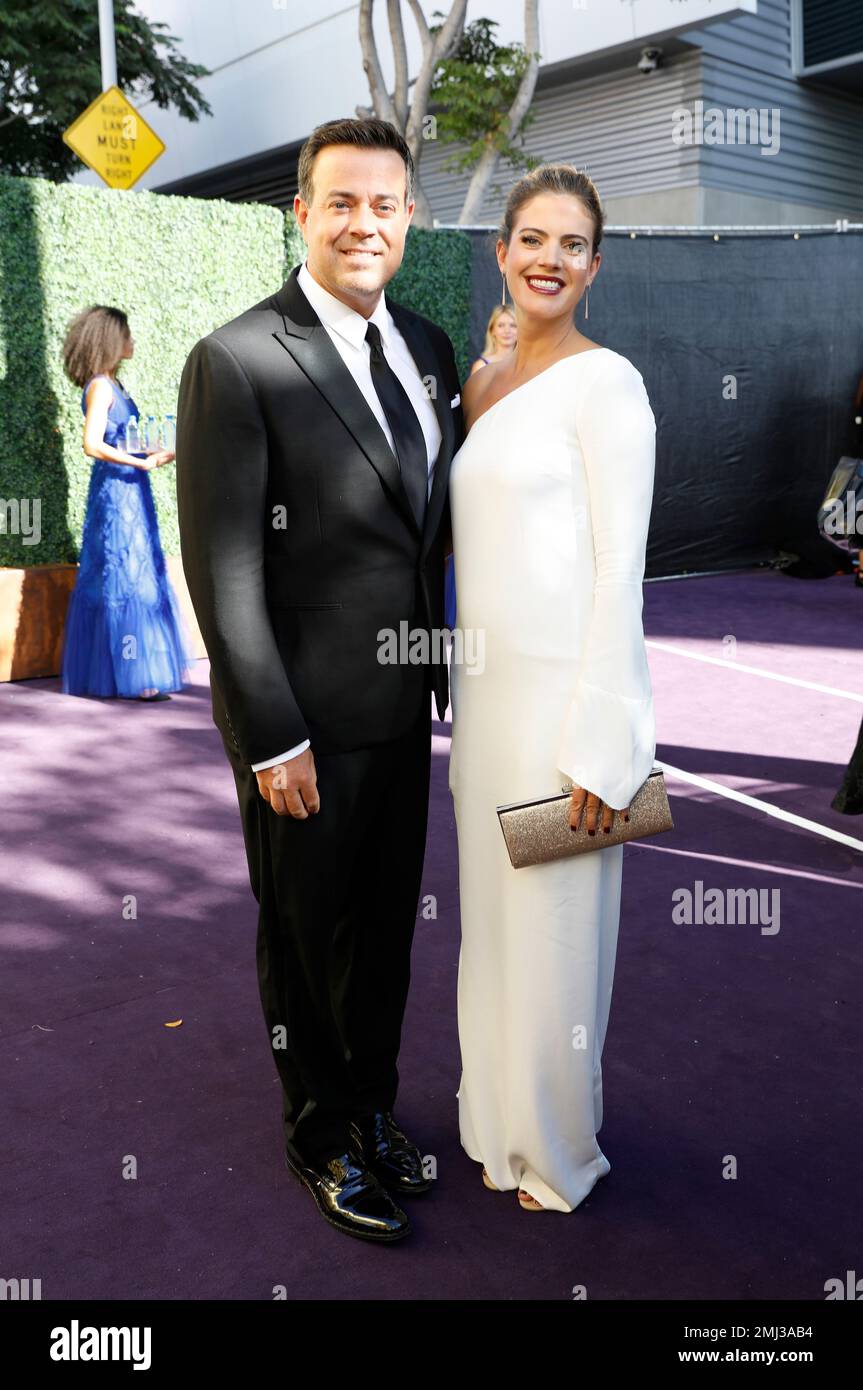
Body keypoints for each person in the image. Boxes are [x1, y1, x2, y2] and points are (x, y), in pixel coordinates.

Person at [175, 118, 464, 1244]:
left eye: (384, 204)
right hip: (299, 727)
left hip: (401, 707)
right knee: (304, 937)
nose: (363, 222)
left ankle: (374, 1105)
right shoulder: (237, 358)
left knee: (384, 930)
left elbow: (427, 535)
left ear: (406, 219)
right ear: (301, 212)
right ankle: (320, 1135)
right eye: (340, 202)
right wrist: (269, 733)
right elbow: (225, 573)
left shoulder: (429, 349)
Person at [448, 163, 657, 1212]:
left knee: (556, 932)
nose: (548, 259)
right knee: (489, 929)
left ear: (593, 265)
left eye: (570, 245)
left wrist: (603, 739)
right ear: (501, 251)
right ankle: (493, 1121)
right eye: (532, 238)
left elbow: (621, 571)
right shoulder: (484, 385)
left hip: (561, 710)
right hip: (482, 707)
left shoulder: (607, 382)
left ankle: (555, 1148)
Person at [60, 306, 192, 701]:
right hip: (117, 494)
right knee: (124, 574)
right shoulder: (101, 386)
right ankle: (136, 676)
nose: (133, 341)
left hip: (133, 491)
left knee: (135, 571)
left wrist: (160, 451)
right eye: (127, 335)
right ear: (110, 342)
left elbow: (122, 440)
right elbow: (92, 444)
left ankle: (129, 673)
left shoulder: (116, 385)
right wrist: (140, 462)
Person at [469, 303, 517, 375]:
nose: (507, 330)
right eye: (501, 325)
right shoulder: (481, 367)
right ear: (492, 330)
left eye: (513, 325)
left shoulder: (529, 366)